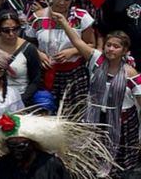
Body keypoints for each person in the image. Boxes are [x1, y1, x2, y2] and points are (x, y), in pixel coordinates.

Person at [58, 12, 141, 173]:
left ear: (124, 51)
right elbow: (76, 41)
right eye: (108, 45)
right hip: (96, 119)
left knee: (119, 165)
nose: (110, 49)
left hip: (122, 123)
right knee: (92, 159)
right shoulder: (96, 60)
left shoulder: (132, 75)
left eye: (116, 47)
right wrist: (62, 21)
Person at [27, 0, 94, 107]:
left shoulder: (81, 17)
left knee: (73, 110)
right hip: (44, 71)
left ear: (72, 0)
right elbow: (28, 43)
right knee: (44, 110)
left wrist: (73, 51)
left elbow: (91, 44)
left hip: (74, 73)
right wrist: (39, 54)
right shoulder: (38, 17)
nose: (62, 2)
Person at [0, 11, 43, 106]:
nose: (11, 34)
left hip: (19, 98)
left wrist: (22, 100)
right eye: (6, 30)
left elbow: (36, 79)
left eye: (15, 29)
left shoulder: (29, 49)